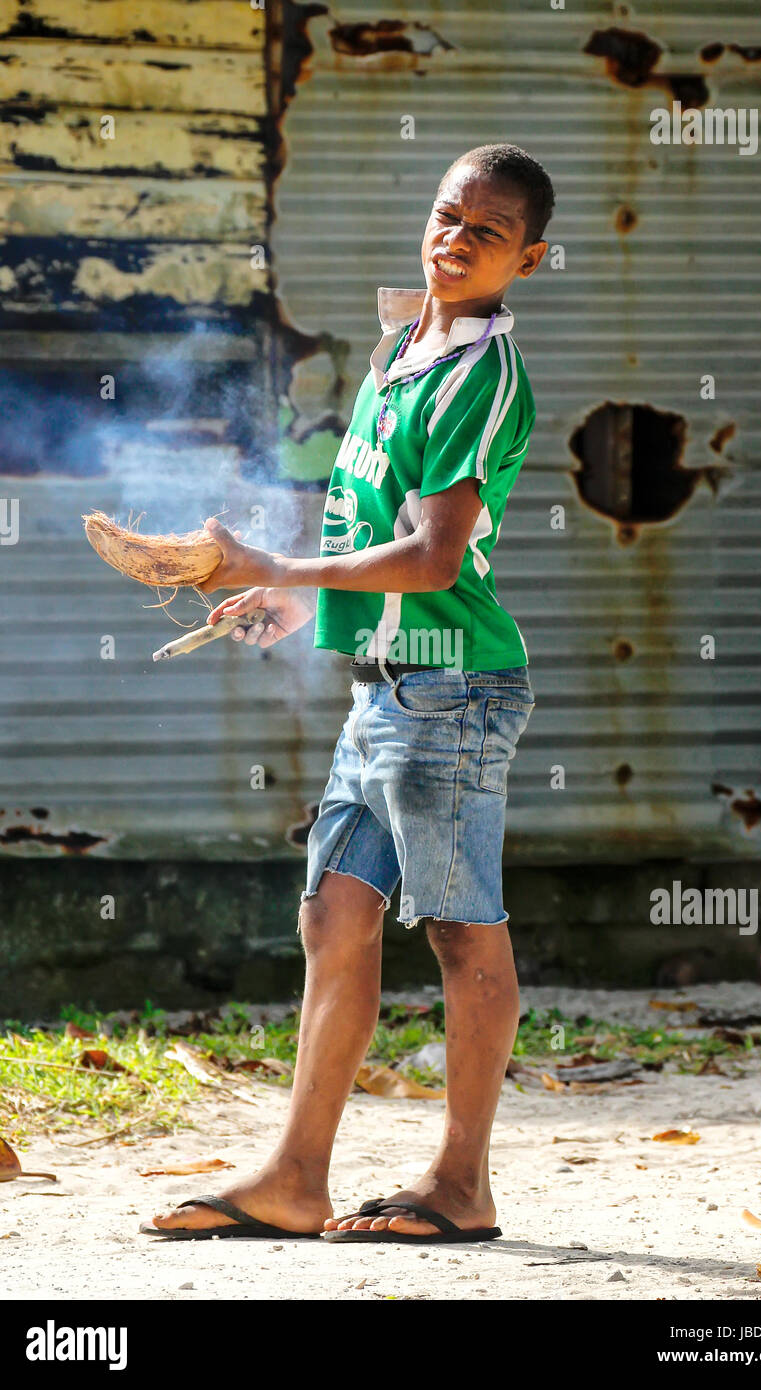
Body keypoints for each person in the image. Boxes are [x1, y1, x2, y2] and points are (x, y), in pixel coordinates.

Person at [141, 143, 553, 1245]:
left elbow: (426, 559)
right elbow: (366, 527)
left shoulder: (480, 377)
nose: (455, 240)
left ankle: (460, 1183)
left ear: (529, 256)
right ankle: (292, 1176)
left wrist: (271, 567)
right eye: (446, 216)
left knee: (462, 936)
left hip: (451, 693)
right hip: (385, 694)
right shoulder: (398, 348)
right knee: (332, 915)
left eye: (488, 231)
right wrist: (296, 604)